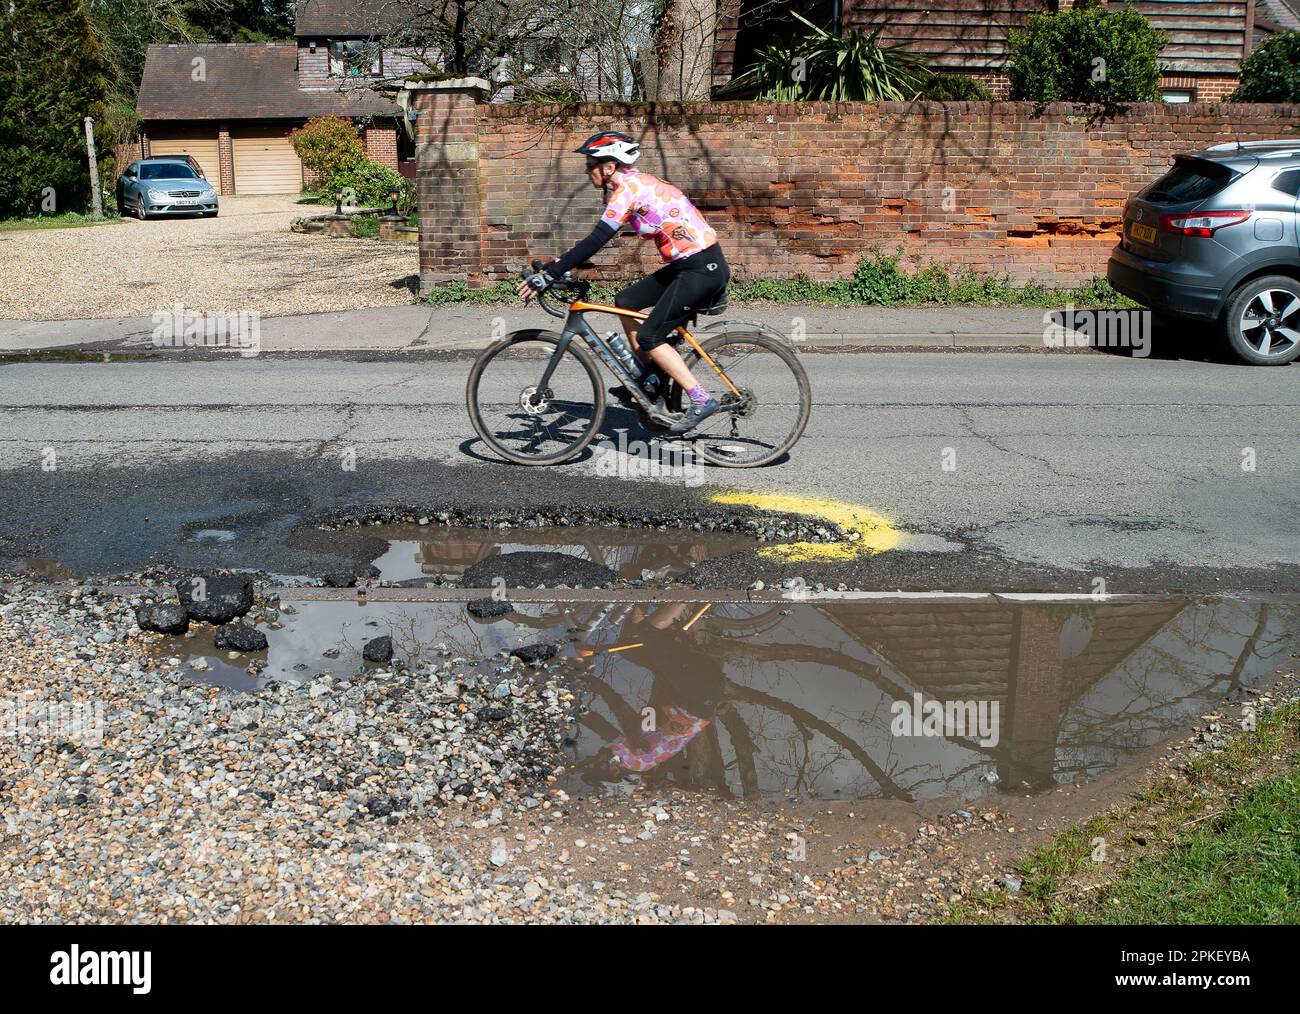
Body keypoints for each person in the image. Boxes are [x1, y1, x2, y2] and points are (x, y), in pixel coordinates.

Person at [516, 131, 731, 434]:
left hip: (701, 268)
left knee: (650, 337)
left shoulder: (628, 189)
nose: (587, 171)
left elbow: (596, 240)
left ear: (609, 167)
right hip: (690, 265)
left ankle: (700, 399)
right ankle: (649, 379)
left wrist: (550, 274)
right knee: (626, 302)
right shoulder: (632, 183)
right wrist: (554, 267)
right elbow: (592, 243)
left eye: (591, 164)